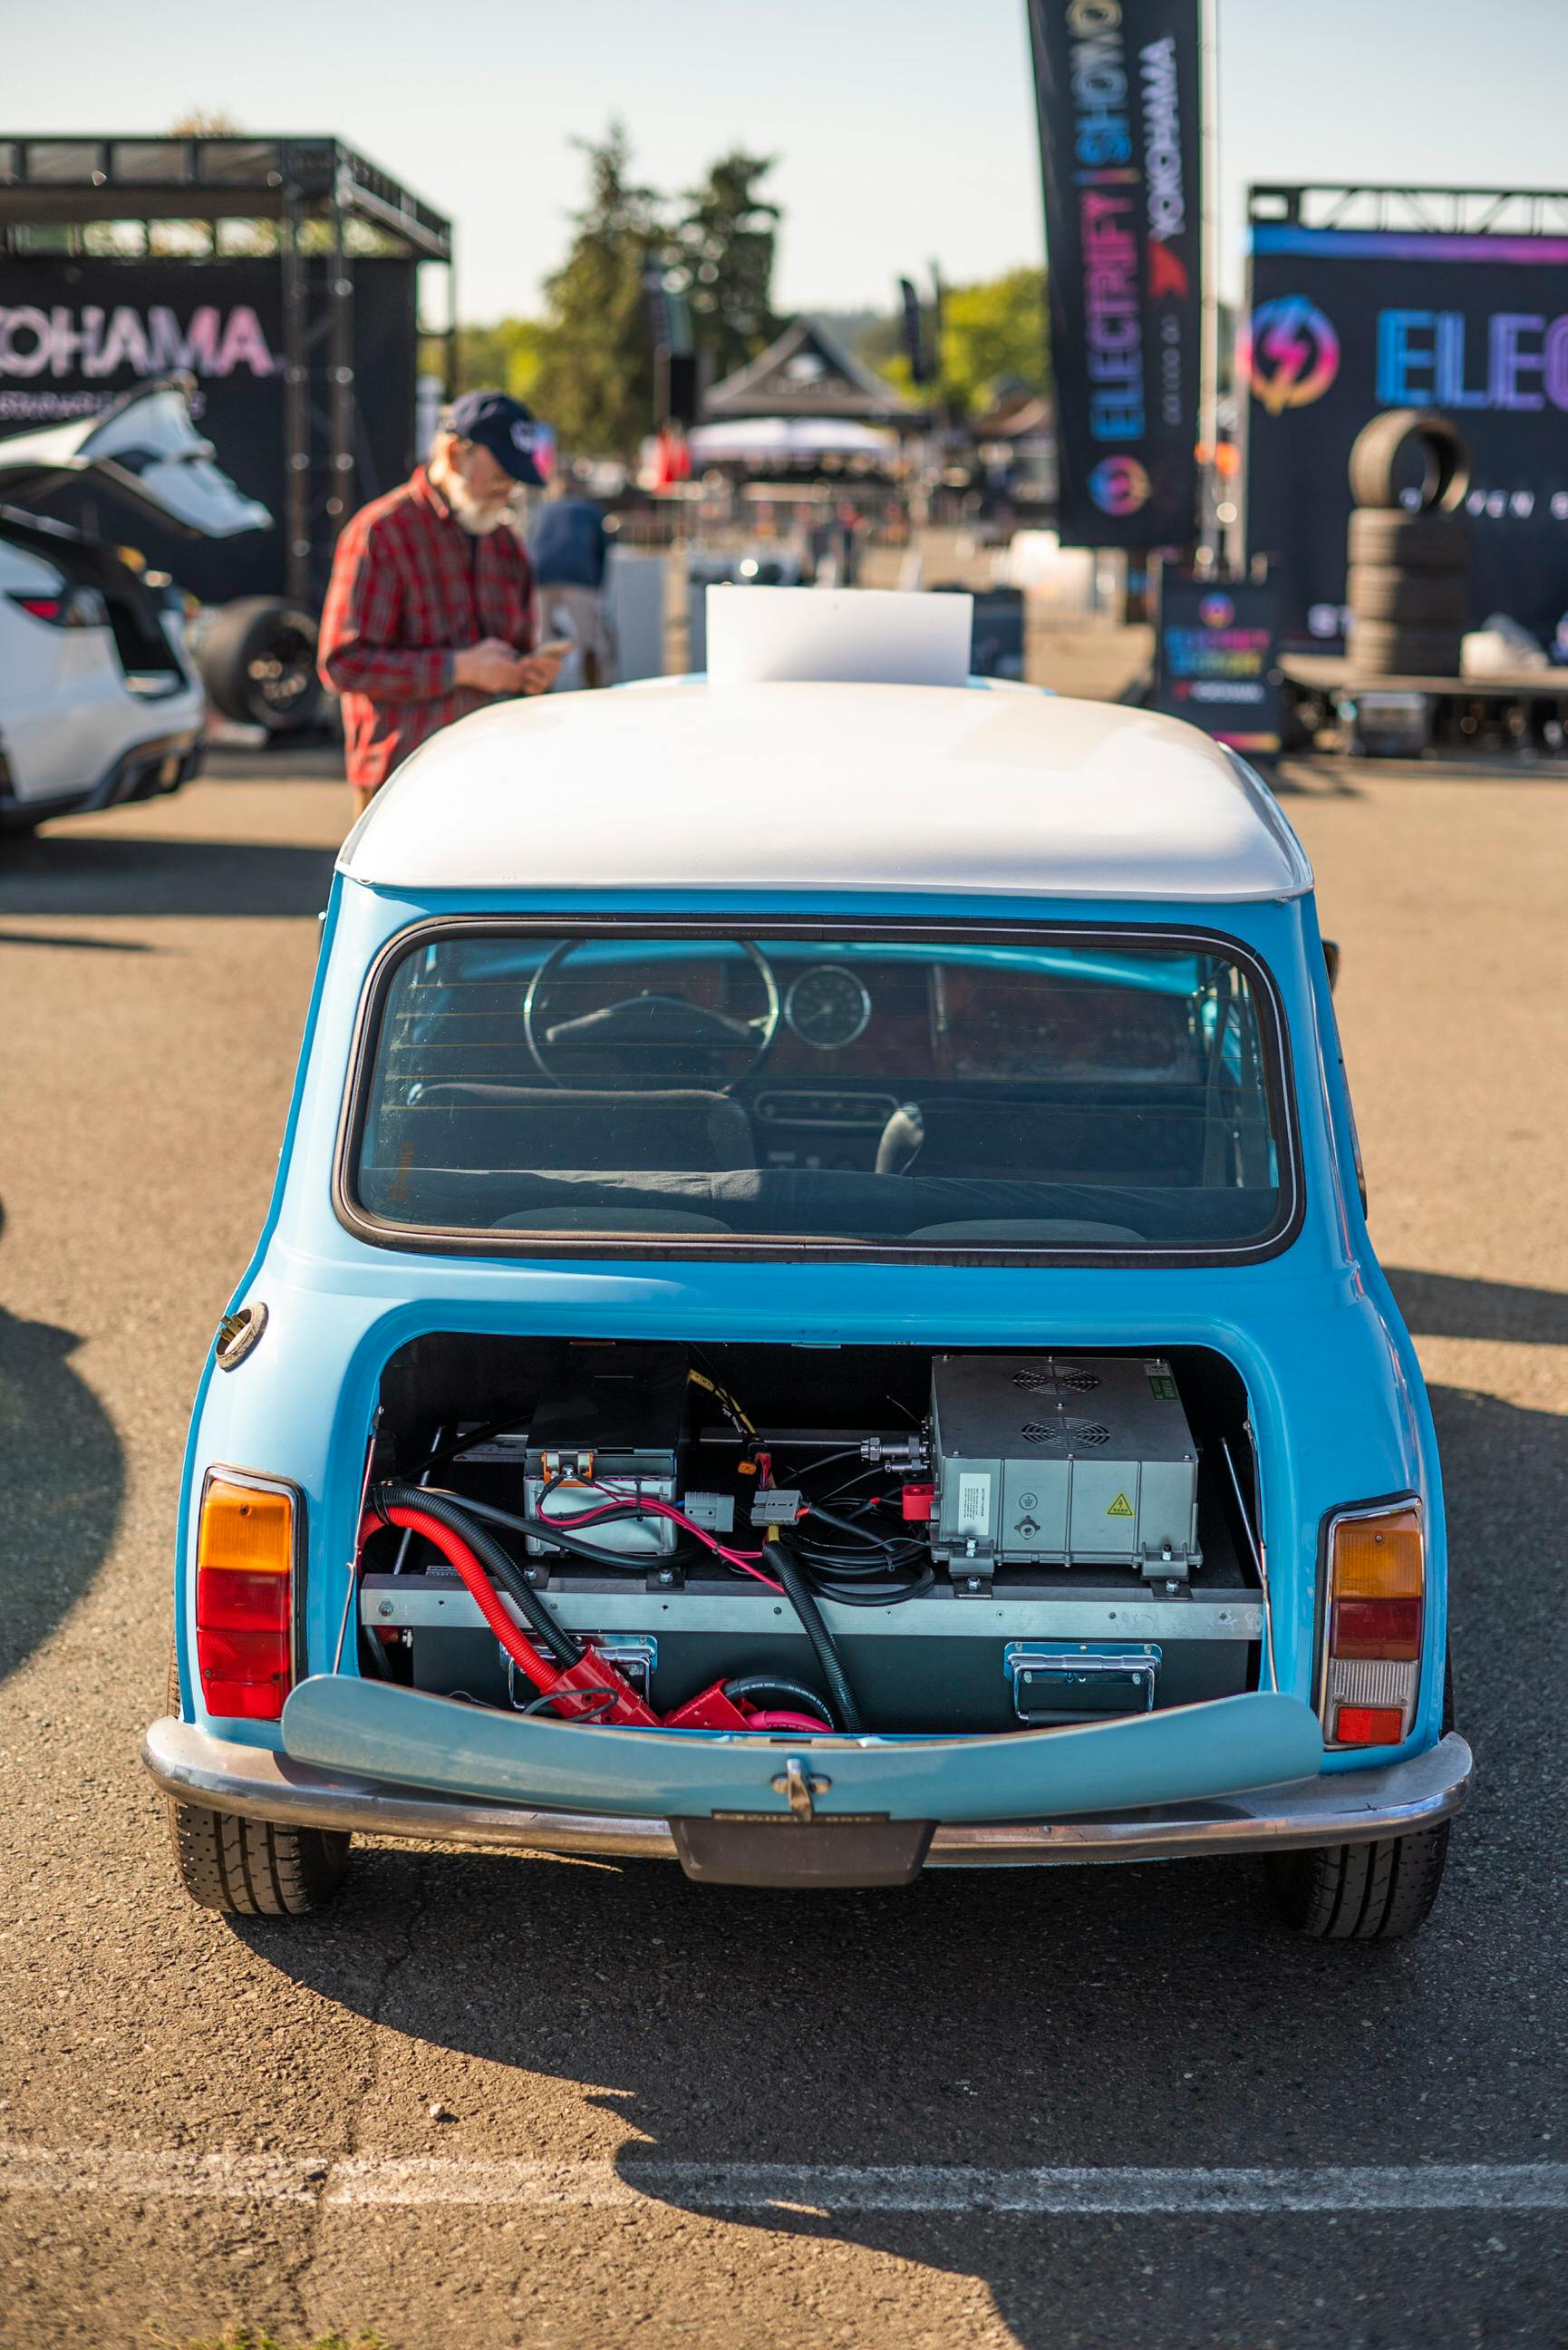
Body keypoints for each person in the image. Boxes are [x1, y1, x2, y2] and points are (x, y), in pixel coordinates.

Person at [318, 391, 565, 820]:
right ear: (453, 455)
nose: (505, 494)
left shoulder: (507, 546)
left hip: (493, 775)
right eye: (498, 477)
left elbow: (516, 650)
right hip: (403, 778)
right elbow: (342, 663)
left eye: (513, 483)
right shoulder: (382, 532)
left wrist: (529, 672)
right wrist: (460, 668)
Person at [528, 469, 613, 688]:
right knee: (589, 642)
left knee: (543, 640)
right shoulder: (590, 510)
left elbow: (531, 544)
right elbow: (603, 548)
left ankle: (541, 690)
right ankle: (595, 692)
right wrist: (599, 586)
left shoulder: (543, 510)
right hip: (579, 575)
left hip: (542, 575)